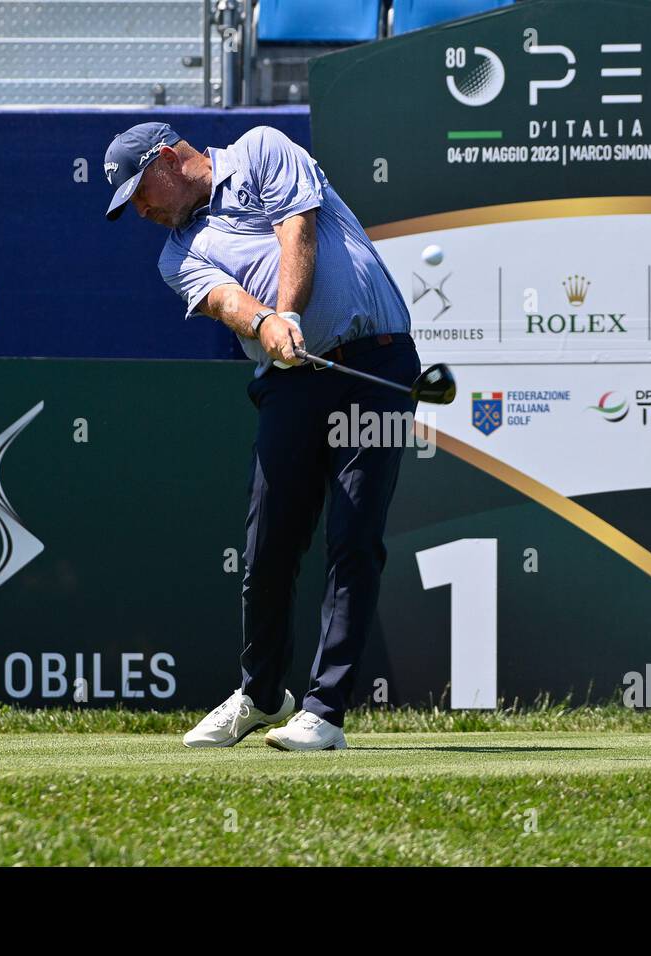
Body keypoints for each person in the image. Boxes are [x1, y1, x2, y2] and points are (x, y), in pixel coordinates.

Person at [103, 122, 418, 751]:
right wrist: (267, 322)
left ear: (169, 159)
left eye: (141, 191)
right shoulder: (176, 254)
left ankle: (325, 713)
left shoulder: (260, 150)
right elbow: (224, 300)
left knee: (353, 537)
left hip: (374, 364)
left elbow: (295, 228)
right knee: (269, 543)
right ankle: (263, 693)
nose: (141, 210)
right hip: (290, 381)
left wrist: (288, 314)